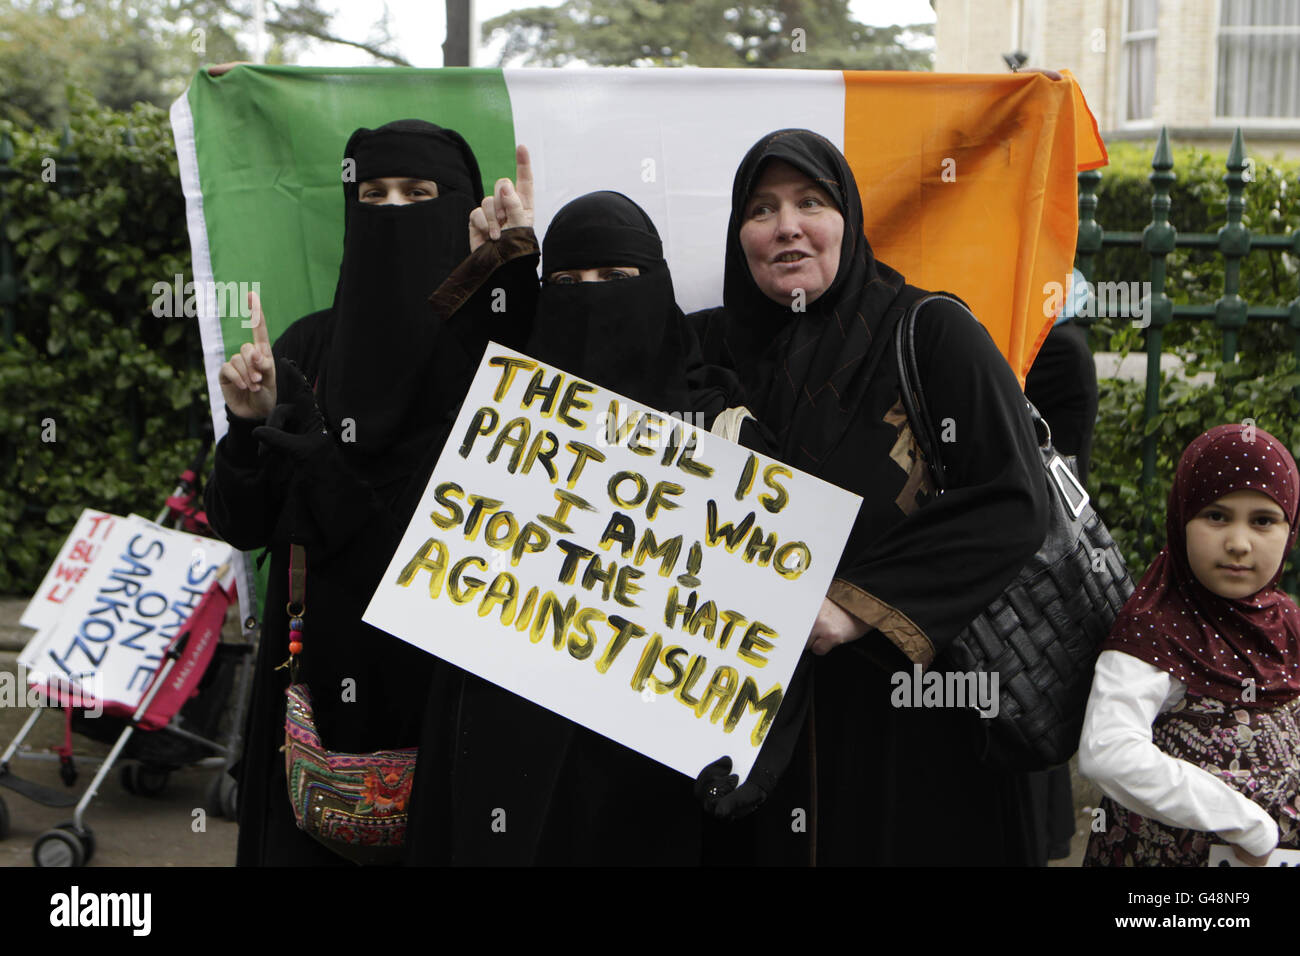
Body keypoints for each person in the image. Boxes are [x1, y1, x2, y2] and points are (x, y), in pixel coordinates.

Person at [691, 128, 1051, 865]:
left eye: (810, 202)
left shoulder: (930, 332)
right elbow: (594, 342)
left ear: (849, 221)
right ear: (740, 238)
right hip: (760, 733)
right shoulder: (717, 355)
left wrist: (856, 606)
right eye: (760, 210)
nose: (786, 225)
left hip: (915, 732)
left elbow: (1013, 499)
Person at [405, 188, 767, 865]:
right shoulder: (502, 416)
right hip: (505, 737)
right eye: (567, 284)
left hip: (652, 764)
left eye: (616, 281)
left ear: (655, 288)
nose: (591, 299)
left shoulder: (720, 425)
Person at [205, 119, 505, 865]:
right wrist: (248, 430)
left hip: (454, 691)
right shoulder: (305, 349)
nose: (394, 210)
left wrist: (509, 286)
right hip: (317, 695)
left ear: (460, 206)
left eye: (418, 193)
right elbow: (241, 522)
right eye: (373, 194)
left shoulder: (498, 355)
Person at [1080, 423, 1300, 867]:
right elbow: (1109, 753)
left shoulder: (1286, 621)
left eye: (1263, 521)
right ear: (1181, 519)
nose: (1238, 544)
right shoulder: (1155, 629)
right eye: (1216, 516)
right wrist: (1243, 821)